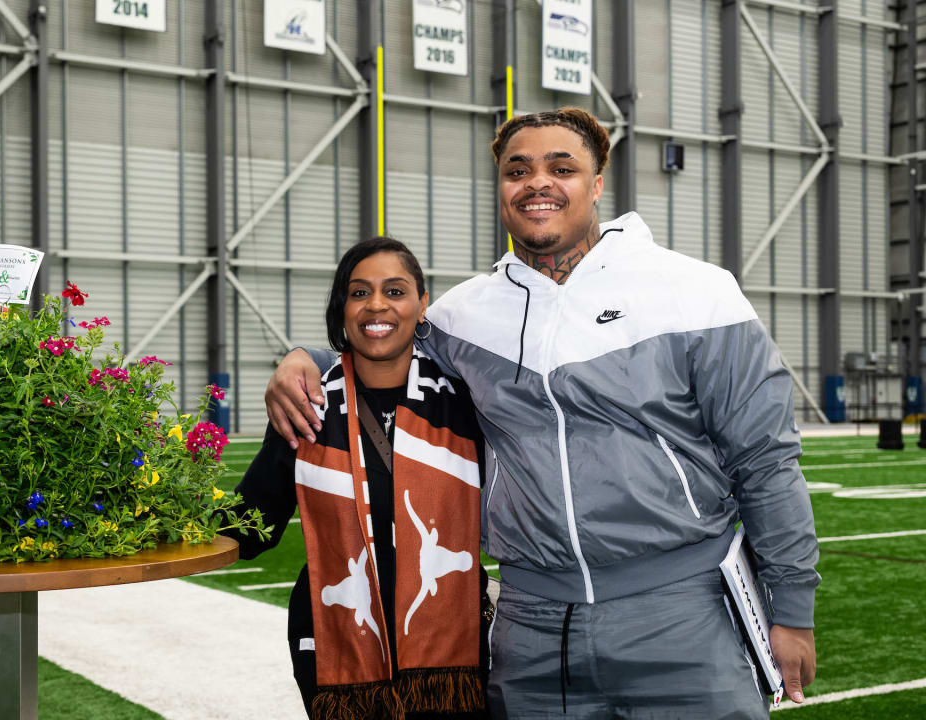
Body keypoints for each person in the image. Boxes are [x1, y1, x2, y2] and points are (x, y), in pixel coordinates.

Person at [263, 108, 819, 718]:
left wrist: (790, 609)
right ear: (500, 188)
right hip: (531, 630)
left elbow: (765, 460)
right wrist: (304, 358)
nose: (537, 183)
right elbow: (381, 342)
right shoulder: (464, 315)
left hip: (681, 612)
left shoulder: (693, 291)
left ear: (598, 182)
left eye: (562, 167)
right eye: (516, 170)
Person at [225, 237, 490, 720]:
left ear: (422, 303)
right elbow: (250, 522)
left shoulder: (467, 402)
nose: (377, 306)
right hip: (336, 642)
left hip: (454, 657)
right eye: (359, 292)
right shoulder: (307, 403)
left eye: (395, 290)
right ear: (342, 307)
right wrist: (147, 518)